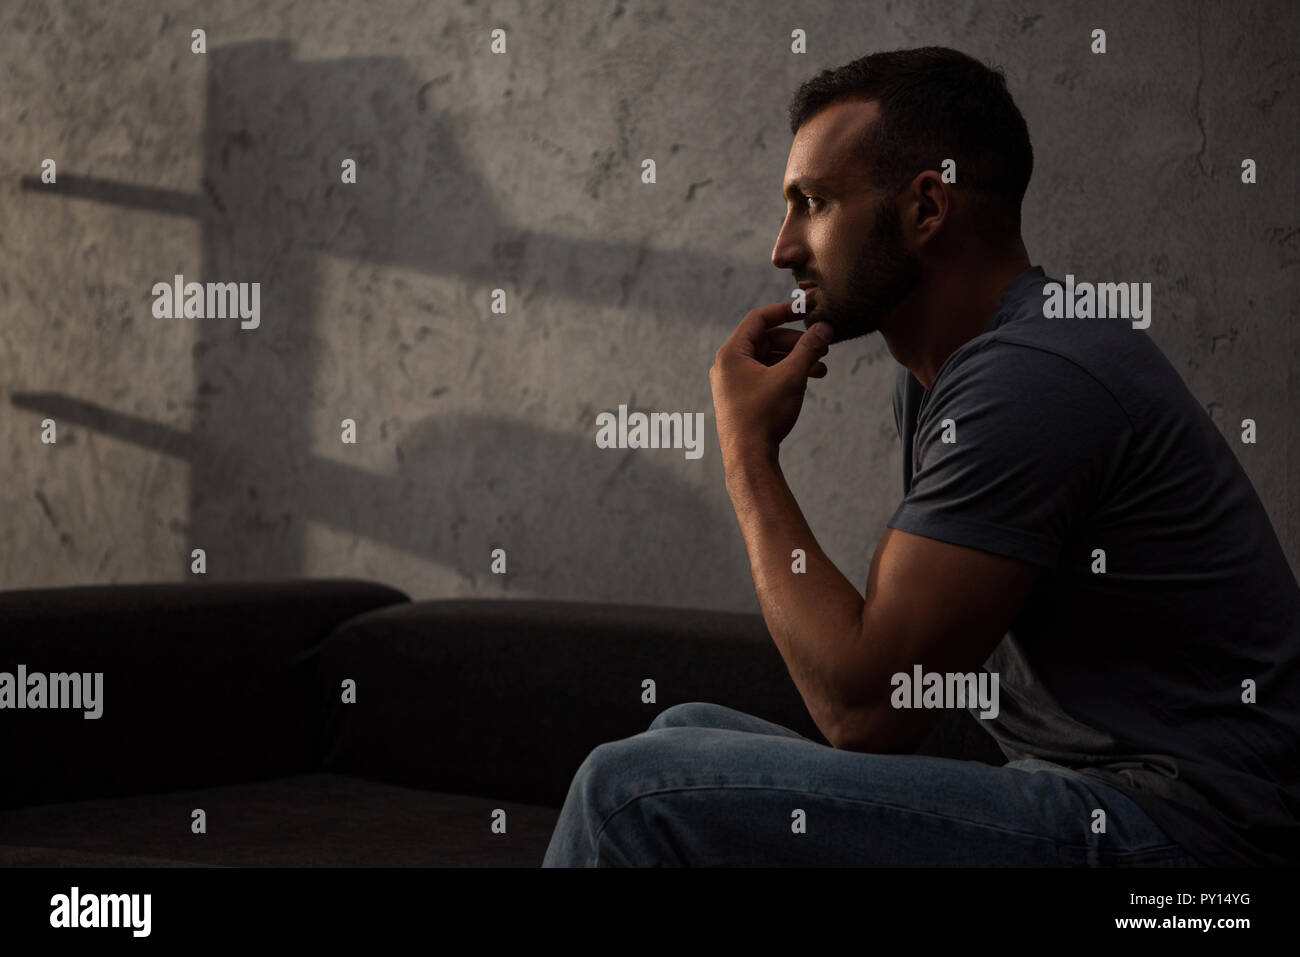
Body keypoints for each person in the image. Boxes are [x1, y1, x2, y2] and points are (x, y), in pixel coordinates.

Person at [542, 46, 1300, 867]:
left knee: (630, 794)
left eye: (812, 202)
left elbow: (865, 707)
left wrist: (746, 452)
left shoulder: (1031, 376)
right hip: (1086, 788)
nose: (782, 246)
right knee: (681, 732)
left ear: (927, 208)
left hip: (1189, 839)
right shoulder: (952, 372)